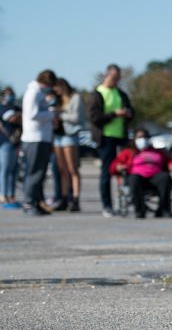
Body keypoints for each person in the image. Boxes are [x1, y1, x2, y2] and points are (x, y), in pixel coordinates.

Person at [89, 64, 134, 218]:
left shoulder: (121, 94)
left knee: (126, 169)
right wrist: (114, 114)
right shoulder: (97, 94)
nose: (117, 81)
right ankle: (107, 205)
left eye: (118, 78)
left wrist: (128, 113)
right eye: (114, 78)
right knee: (107, 172)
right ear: (107, 75)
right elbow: (95, 118)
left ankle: (126, 201)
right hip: (106, 138)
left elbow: (131, 110)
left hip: (121, 137)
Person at [112, 129, 172, 218]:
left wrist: (171, 165)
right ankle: (140, 210)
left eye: (145, 137)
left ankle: (163, 209)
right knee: (134, 179)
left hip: (155, 176)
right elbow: (114, 166)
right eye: (140, 137)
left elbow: (169, 161)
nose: (143, 139)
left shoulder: (158, 151)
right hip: (138, 177)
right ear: (134, 139)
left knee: (165, 178)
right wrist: (118, 167)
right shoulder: (128, 151)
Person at [20, 70, 58, 216]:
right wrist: (51, 114)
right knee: (33, 172)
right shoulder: (33, 93)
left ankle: (37, 201)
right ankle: (29, 203)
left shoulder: (40, 93)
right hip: (33, 138)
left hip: (43, 137)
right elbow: (32, 114)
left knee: (40, 173)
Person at [52, 78, 85, 212]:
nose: (56, 92)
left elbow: (76, 118)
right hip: (58, 136)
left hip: (70, 136)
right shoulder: (58, 100)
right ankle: (65, 198)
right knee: (62, 170)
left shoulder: (75, 98)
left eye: (57, 88)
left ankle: (76, 199)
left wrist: (60, 114)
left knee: (72, 169)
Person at [0, 87, 23, 209]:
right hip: (5, 143)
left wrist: (19, 115)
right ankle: (3, 197)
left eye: (12, 94)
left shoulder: (16, 108)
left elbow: (23, 118)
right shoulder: (2, 107)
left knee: (14, 171)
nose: (11, 96)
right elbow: (12, 118)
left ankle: (11, 196)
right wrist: (19, 116)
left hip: (16, 143)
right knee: (5, 170)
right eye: (8, 94)